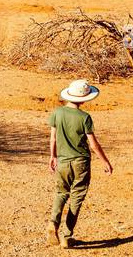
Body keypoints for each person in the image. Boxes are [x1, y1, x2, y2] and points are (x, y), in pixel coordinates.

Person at [48, 79, 113, 248]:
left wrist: (53, 156)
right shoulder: (85, 118)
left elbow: (53, 138)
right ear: (84, 99)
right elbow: (93, 145)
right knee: (77, 197)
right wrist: (105, 161)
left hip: (62, 161)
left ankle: (53, 222)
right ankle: (67, 236)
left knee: (61, 193)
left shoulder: (57, 113)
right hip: (80, 162)